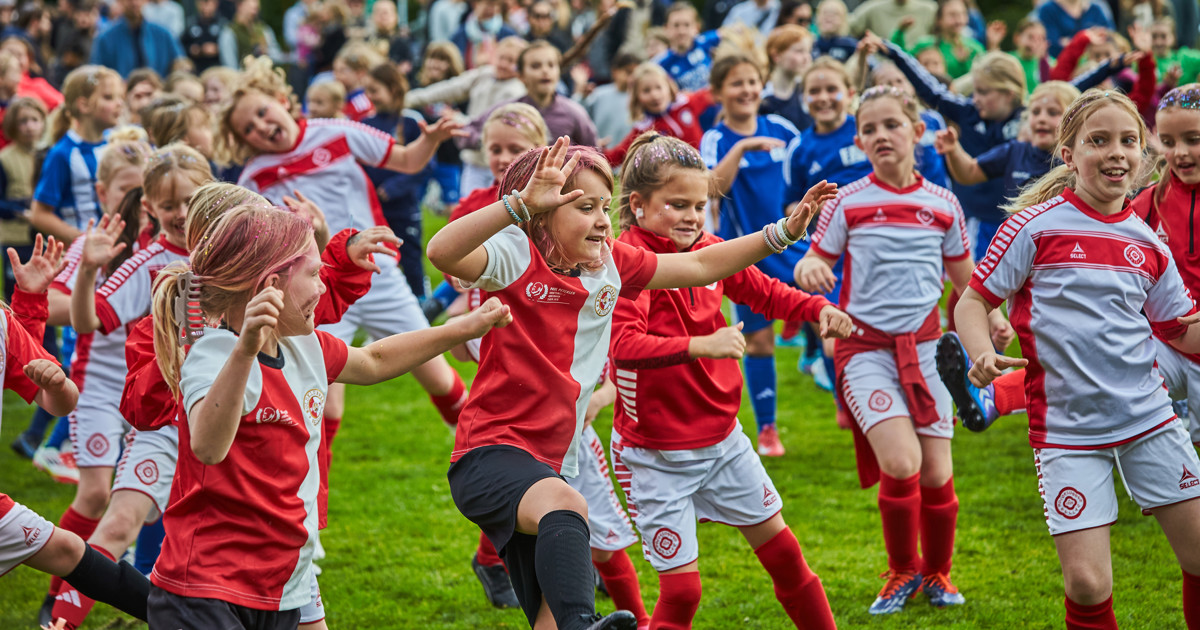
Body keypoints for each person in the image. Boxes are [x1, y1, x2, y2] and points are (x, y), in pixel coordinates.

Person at [425, 135, 832, 630]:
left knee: (547, 609)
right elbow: (442, 252)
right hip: (491, 453)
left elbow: (703, 264)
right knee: (570, 510)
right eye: (584, 207)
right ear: (541, 213)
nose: (602, 219)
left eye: (603, 205)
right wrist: (516, 207)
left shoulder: (611, 263)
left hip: (554, 462)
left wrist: (784, 233)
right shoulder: (514, 254)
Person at [144, 204, 511, 627]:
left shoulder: (307, 346)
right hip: (207, 589)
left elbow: (373, 360)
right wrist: (245, 351)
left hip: (284, 579)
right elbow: (208, 447)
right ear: (271, 286)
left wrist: (462, 328)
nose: (323, 288)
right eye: (315, 275)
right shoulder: (215, 353)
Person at [955, 88, 1200, 630]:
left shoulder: (1148, 244)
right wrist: (978, 353)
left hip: (1148, 418)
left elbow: (1182, 333)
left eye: (1129, 141)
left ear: (1144, 154)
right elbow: (972, 301)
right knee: (1087, 585)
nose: (1117, 152)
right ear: (1068, 155)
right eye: (1099, 141)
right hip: (1066, 430)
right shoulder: (1033, 228)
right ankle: (997, 399)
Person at [610, 132, 849, 629]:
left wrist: (818, 307)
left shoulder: (710, 249)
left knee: (787, 557)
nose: (691, 217)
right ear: (638, 205)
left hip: (723, 443)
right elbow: (622, 347)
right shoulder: (627, 262)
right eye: (676, 204)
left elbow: (767, 292)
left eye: (699, 205)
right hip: (655, 454)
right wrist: (700, 345)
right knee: (682, 593)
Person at [794, 85, 1011, 615]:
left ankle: (938, 574)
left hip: (930, 350)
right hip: (863, 350)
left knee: (937, 474)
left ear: (918, 133)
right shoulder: (847, 201)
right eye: (869, 129)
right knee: (901, 461)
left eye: (891, 125)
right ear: (860, 141)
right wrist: (812, 270)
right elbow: (810, 262)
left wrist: (995, 316)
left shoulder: (943, 204)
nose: (880, 135)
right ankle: (901, 571)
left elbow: (968, 283)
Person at [225, 56, 473, 478]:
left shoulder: (336, 131)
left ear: (283, 100)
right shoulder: (254, 178)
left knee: (434, 370)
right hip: (310, 291)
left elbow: (409, 160)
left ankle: (478, 443)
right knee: (318, 388)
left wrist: (429, 140)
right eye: (248, 128)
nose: (262, 127)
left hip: (375, 274)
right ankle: (310, 487)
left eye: (263, 112)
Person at [701, 48, 804, 456]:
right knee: (760, 343)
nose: (746, 90)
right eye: (736, 83)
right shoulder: (716, 139)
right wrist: (742, 149)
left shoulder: (781, 126)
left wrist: (800, 206)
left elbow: (807, 172)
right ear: (718, 92)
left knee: (830, 322)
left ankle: (846, 405)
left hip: (797, 246)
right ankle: (768, 430)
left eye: (752, 81)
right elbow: (710, 187)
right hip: (748, 253)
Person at [360, 62, 433, 300]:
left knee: (410, 255)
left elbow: (425, 164)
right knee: (379, 256)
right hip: (375, 209)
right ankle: (383, 302)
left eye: (374, 90)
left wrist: (394, 188)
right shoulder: (365, 125)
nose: (370, 97)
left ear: (393, 89)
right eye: (367, 91)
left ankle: (421, 301)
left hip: (404, 207)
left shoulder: (411, 121)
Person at [29, 66, 122, 244]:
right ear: (84, 105)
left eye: (120, 97)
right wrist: (82, 240)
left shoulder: (115, 143)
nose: (119, 103)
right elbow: (39, 214)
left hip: (114, 247)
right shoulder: (62, 153)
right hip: (82, 253)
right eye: (109, 97)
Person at [603, 62, 711, 165]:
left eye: (658, 87)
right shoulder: (644, 130)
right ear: (637, 97)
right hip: (677, 178)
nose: (654, 95)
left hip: (705, 166)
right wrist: (595, 152)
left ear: (668, 86)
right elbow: (618, 155)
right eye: (646, 91)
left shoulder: (685, 102)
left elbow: (716, 93)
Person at [89, 0, 184, 78]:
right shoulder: (106, 38)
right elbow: (97, 73)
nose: (135, 3)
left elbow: (180, 64)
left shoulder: (163, 34)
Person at [654, 2, 721, 93]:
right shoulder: (660, 65)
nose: (682, 31)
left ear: (697, 27)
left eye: (686, 25)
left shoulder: (707, 41)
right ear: (666, 29)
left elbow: (735, 33)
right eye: (676, 25)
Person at [761, 24, 813, 132]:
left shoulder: (808, 91)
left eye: (808, 51)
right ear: (776, 56)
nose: (806, 57)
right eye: (799, 51)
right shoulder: (761, 94)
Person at [1036, 0, 1115, 58]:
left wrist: (1069, 43)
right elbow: (1052, 47)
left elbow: (1111, 40)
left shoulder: (1097, 8)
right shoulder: (1047, 10)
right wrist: (1088, 40)